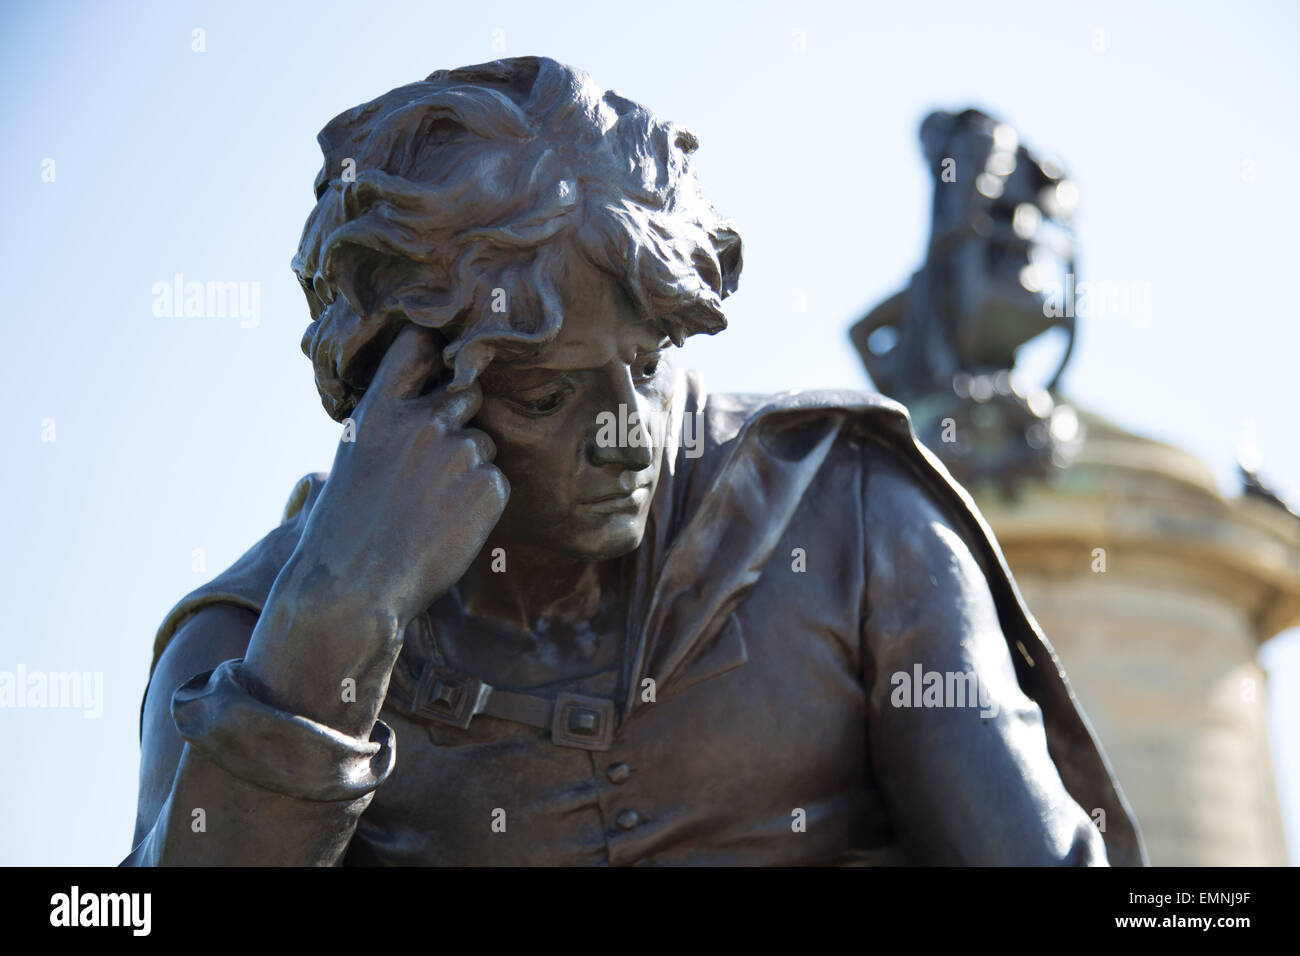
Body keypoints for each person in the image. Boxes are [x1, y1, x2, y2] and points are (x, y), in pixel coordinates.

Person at [125, 56, 1144, 866]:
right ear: (400, 389)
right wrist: (332, 633)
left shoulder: (847, 518)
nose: (626, 433)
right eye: (546, 392)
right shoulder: (252, 645)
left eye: (648, 362)